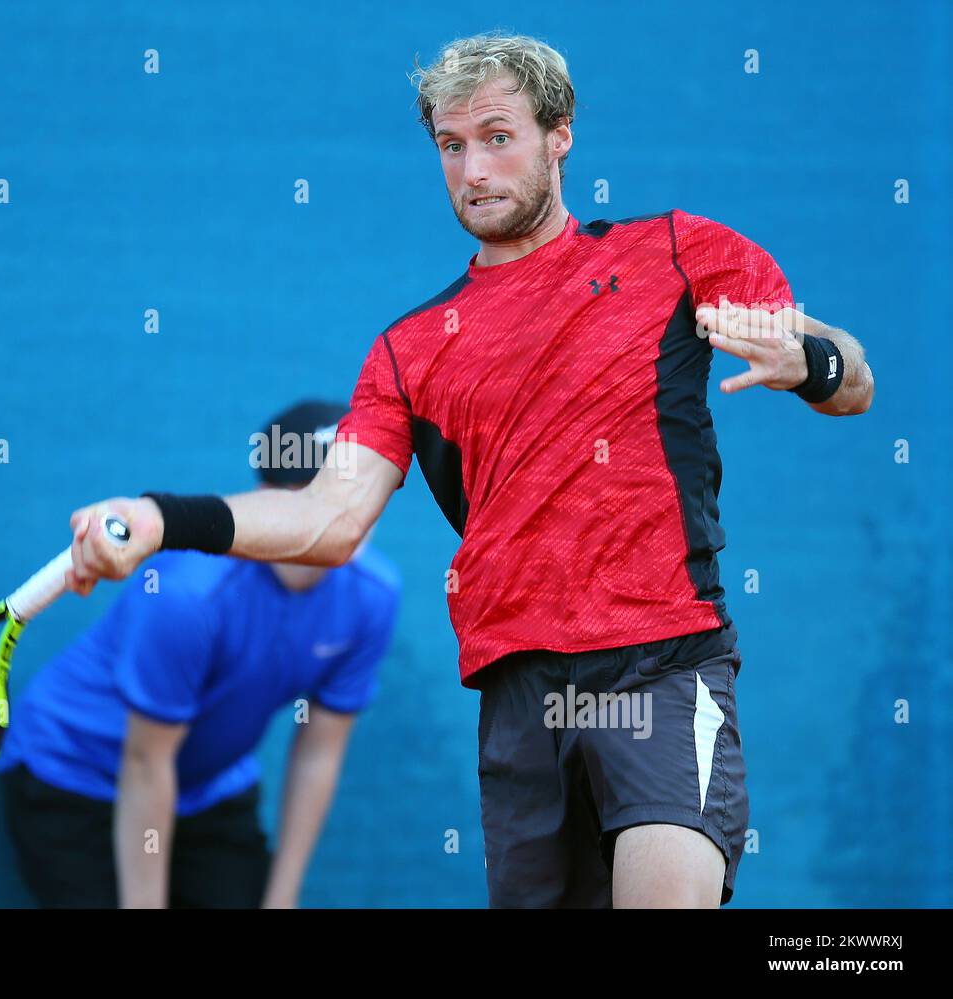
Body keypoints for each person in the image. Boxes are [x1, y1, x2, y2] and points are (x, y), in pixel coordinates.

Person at [62, 33, 874, 908]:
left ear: (559, 133)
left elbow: (851, 375)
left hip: (660, 664)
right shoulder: (409, 350)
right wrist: (158, 518)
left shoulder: (672, 252)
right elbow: (328, 520)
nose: (473, 168)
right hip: (518, 694)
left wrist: (812, 363)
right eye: (451, 146)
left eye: (497, 136)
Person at [0, 401, 401, 908]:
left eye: (357, 493)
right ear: (265, 501)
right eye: (315, 494)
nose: (346, 514)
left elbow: (320, 751)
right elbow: (146, 762)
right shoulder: (187, 596)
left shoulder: (373, 595)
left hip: (208, 789)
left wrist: (283, 897)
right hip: (74, 776)